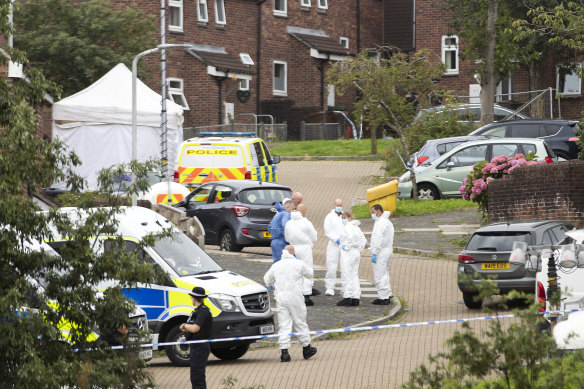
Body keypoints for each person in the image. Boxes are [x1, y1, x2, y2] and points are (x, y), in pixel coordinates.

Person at [264, 245, 317, 362]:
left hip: (281, 297)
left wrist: (271, 284)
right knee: (300, 321)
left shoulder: (276, 265)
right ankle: (306, 348)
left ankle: (284, 353)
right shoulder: (298, 263)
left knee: (284, 324)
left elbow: (267, 279)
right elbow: (310, 274)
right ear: (293, 253)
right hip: (295, 296)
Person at [285, 204, 318, 306]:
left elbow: (286, 238)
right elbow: (314, 236)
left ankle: (295, 294)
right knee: (307, 270)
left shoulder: (289, 223)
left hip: (293, 248)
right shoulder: (306, 223)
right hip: (305, 248)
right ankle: (306, 296)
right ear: (303, 211)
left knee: (295, 271)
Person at [180, 286, 213, 389]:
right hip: (197, 346)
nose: (191, 299)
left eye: (192, 297)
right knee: (197, 376)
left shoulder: (202, 311)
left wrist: (185, 325)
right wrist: (187, 328)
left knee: (197, 377)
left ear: (194, 298)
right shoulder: (200, 311)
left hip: (200, 347)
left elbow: (195, 328)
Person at [337, 212, 367, 306]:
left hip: (348, 253)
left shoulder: (348, 226)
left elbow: (350, 237)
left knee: (347, 274)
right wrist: (358, 247)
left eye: (344, 217)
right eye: (342, 217)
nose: (343, 219)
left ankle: (347, 296)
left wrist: (347, 246)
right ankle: (356, 297)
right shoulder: (356, 227)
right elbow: (363, 240)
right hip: (356, 252)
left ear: (350, 218)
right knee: (354, 275)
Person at [369, 204, 395, 305]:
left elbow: (378, 238)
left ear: (378, 211)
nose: (372, 214)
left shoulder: (381, 223)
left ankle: (383, 297)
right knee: (385, 273)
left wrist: (375, 252)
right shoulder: (386, 222)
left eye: (372, 212)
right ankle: (387, 294)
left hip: (381, 251)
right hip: (387, 249)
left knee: (380, 274)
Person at [323, 199, 344, 296]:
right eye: (337, 205)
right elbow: (328, 231)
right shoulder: (329, 217)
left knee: (345, 267)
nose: (339, 206)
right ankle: (330, 287)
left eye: (340, 205)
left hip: (344, 246)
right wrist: (336, 239)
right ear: (334, 205)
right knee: (331, 267)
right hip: (333, 245)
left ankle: (345, 287)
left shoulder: (344, 216)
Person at [268, 198, 295, 262]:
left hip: (274, 242)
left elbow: (269, 227)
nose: (293, 211)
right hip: (282, 242)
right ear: (288, 206)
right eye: (293, 208)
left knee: (276, 262)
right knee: (282, 262)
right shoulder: (285, 214)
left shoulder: (278, 214)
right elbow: (286, 225)